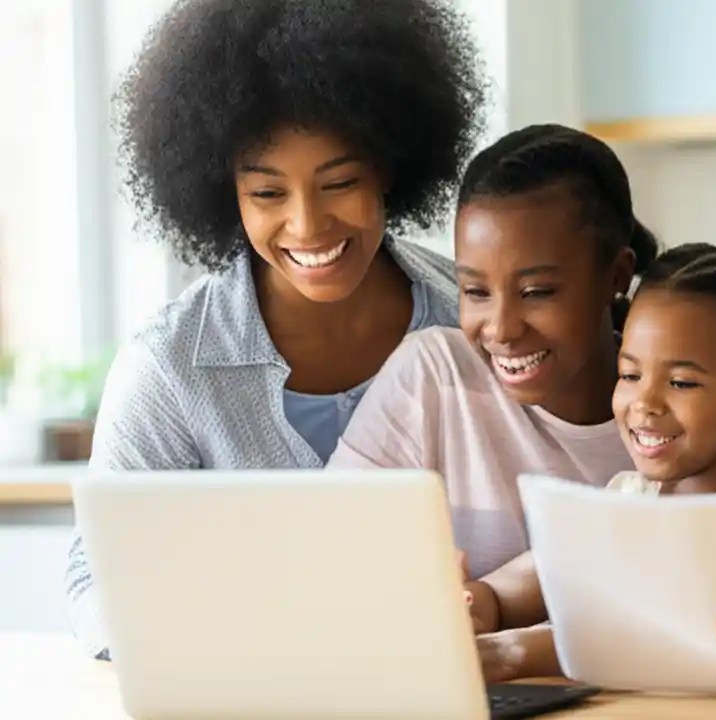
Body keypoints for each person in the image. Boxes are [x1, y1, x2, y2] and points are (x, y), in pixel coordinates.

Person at [65, 0, 485, 658]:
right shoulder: (171, 367)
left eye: (339, 182)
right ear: (223, 193)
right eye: (267, 193)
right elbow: (95, 583)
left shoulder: (475, 322)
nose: (308, 225)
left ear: (390, 168)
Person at [478, 243, 716, 681]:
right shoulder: (630, 497)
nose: (643, 403)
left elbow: (695, 628)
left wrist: (517, 650)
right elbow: (543, 568)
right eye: (629, 375)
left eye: (681, 382)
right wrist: (482, 599)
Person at [327, 123, 654, 600]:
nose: (500, 328)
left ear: (617, 276)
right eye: (476, 291)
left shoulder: (666, 417)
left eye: (536, 292)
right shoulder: (433, 376)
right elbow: (331, 554)